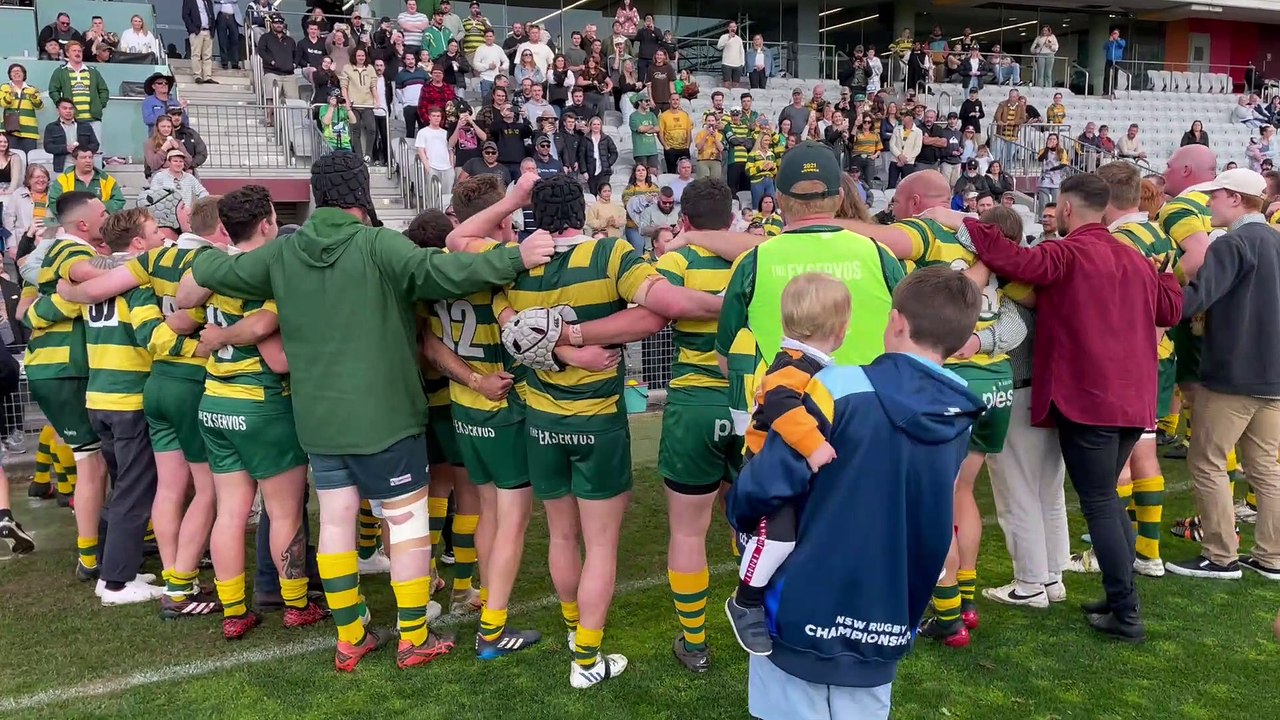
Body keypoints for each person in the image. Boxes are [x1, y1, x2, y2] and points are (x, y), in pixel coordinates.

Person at [182, 151, 556, 669]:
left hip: (317, 418)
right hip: (386, 416)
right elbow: (442, 271)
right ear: (362, 195)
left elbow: (214, 269)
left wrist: (198, 247)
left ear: (317, 195)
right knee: (405, 523)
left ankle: (351, 635)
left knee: (335, 521)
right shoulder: (378, 244)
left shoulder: (283, 252)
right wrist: (515, 257)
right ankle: (412, 637)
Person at [450, 172, 723, 686]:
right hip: (597, 423)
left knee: (561, 535)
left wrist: (512, 198)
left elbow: (457, 238)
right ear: (582, 211)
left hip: (541, 422)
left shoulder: (515, 261)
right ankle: (586, 660)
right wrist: (730, 302)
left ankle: (575, 629)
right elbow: (669, 308)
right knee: (600, 547)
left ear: (534, 213)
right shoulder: (610, 255)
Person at [934, 173, 1182, 642]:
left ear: (1066, 209)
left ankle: (1126, 612)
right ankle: (1117, 597)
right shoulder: (1134, 258)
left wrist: (963, 220)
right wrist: (1165, 268)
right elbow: (1171, 310)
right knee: (1102, 499)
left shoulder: (1065, 254)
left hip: (1089, 399)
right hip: (1134, 399)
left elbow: (1007, 256)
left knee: (1100, 503)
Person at [729, 266, 984, 720]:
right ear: (961, 340)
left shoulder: (834, 387)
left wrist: (744, 521)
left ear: (897, 321)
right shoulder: (961, 412)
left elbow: (764, 486)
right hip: (886, 611)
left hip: (800, 603)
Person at [725, 272, 850, 653]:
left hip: (789, 470)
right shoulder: (791, 365)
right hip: (770, 473)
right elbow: (780, 402)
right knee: (777, 540)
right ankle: (744, 602)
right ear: (841, 331)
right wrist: (813, 445)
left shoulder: (813, 364)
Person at [1167, 168, 1280, 582]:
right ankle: (1272, 556)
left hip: (1233, 373)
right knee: (1266, 468)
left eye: (1216, 196)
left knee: (1208, 460)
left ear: (1236, 199)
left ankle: (1220, 555)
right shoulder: (1273, 240)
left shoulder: (1232, 243)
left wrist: (1162, 289)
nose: (1209, 203)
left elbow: (1196, 299)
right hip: (1271, 374)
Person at [46, 42, 109, 152]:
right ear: (67, 53)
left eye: (79, 51)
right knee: (74, 151)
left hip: (93, 118)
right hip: (72, 119)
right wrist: (62, 106)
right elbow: (53, 90)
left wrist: (99, 105)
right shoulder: (60, 72)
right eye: (74, 51)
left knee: (95, 151)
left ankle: (96, 169)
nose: (77, 53)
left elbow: (103, 90)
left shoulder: (93, 72)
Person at [50, 148, 124, 213]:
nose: (88, 161)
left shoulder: (107, 180)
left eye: (90, 157)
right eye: (83, 157)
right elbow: (53, 204)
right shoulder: (63, 180)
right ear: (74, 160)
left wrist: (98, 206)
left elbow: (119, 201)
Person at [342, 48, 379, 162]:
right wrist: (346, 101)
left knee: (372, 128)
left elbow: (373, 86)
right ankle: (358, 155)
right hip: (354, 105)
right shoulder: (347, 68)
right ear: (355, 56)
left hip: (367, 104)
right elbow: (344, 86)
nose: (361, 58)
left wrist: (377, 100)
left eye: (363, 55)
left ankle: (368, 155)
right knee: (355, 130)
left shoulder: (370, 68)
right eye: (359, 55)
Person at [43, 98, 99, 174]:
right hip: (63, 164)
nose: (68, 111)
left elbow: (95, 144)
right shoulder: (51, 127)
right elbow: (48, 147)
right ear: (58, 110)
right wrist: (65, 148)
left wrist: (82, 151)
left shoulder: (85, 126)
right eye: (65, 108)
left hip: (83, 163)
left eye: (71, 108)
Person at [4, 165, 50, 254]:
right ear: (29, 180)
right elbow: (8, 222)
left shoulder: (54, 195)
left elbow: (60, 220)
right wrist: (12, 246)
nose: (41, 180)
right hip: (22, 243)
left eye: (44, 177)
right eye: (37, 177)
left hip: (47, 244)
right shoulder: (17, 194)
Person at [1, 64, 43, 156]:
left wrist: (34, 97)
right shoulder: (4, 87)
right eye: (13, 71)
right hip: (10, 129)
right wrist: (11, 94)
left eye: (19, 71)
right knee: (11, 158)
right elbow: (3, 104)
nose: (16, 73)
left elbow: (39, 106)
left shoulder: (32, 89)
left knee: (29, 159)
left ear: (24, 74)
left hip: (29, 131)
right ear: (10, 75)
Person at [416, 106, 455, 196]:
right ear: (429, 117)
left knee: (447, 196)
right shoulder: (423, 132)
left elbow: (450, 150)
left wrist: (452, 166)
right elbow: (421, 150)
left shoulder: (445, 133)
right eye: (434, 116)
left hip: (447, 168)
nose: (436, 118)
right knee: (432, 195)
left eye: (438, 116)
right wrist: (427, 167)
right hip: (432, 167)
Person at [181, 0, 218, 84]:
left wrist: (212, 30)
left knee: (207, 55)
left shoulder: (208, 1)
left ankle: (207, 76)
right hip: (197, 31)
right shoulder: (189, 1)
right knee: (196, 54)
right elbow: (185, 15)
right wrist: (192, 29)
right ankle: (197, 75)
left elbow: (212, 15)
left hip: (208, 31)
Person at [659, 96, 693, 172]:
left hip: (684, 148)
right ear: (669, 101)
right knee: (671, 172)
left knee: (686, 172)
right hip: (670, 149)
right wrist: (666, 147)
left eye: (677, 100)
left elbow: (688, 131)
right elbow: (660, 133)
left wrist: (687, 146)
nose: (675, 101)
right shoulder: (663, 116)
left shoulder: (685, 115)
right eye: (673, 99)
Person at [888, 112, 921, 189]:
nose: (902, 118)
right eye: (902, 116)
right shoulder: (897, 129)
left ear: (911, 118)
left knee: (906, 187)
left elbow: (917, 148)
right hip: (895, 161)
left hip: (908, 162)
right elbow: (892, 144)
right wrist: (899, 155)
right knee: (891, 185)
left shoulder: (918, 131)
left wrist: (904, 160)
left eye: (905, 116)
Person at [1037, 134, 1069, 209]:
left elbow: (1064, 164)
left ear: (1057, 141)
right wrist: (1047, 148)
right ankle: (1042, 218)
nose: (1052, 141)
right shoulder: (1043, 150)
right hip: (1045, 179)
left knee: (1056, 203)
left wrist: (1052, 169)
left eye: (1054, 139)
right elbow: (1040, 159)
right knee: (1043, 202)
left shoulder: (1062, 151)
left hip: (1056, 179)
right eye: (1050, 139)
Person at [717, 21, 745, 89]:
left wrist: (742, 63)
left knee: (736, 84)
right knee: (726, 83)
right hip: (727, 64)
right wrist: (728, 38)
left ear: (736, 28)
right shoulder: (724, 37)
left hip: (737, 65)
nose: (733, 28)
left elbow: (742, 51)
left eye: (734, 27)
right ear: (728, 28)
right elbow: (719, 47)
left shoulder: (739, 39)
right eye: (731, 27)